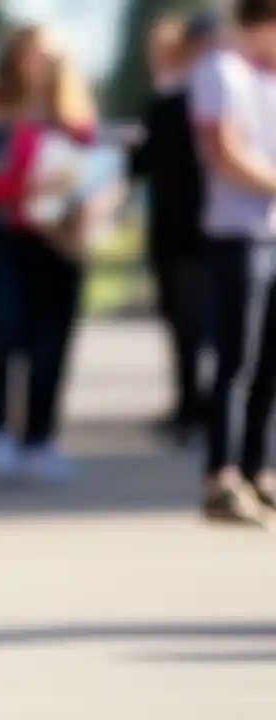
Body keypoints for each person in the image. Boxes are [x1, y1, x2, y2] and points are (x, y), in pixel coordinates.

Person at [0, 26, 98, 484]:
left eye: (49, 56)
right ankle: (1, 430)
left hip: (58, 240)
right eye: (32, 55)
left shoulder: (74, 115)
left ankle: (41, 436)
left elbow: (92, 175)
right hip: (7, 234)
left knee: (51, 341)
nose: (40, 64)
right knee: (6, 333)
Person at [190, 0, 276, 524]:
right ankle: (221, 472)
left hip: (271, 231)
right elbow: (223, 151)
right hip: (236, 233)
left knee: (270, 362)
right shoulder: (220, 71)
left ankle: (257, 466)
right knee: (234, 359)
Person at [129, 14, 217, 446]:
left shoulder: (173, 104)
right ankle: (193, 403)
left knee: (196, 324)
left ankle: (196, 405)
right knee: (188, 324)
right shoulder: (169, 103)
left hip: (195, 231)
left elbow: (140, 163)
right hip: (184, 231)